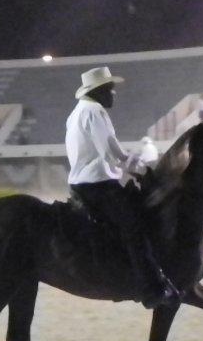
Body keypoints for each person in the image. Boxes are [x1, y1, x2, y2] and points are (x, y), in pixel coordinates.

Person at [65, 66, 178, 309]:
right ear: (99, 91)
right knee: (134, 227)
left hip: (81, 183)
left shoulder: (76, 112)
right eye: (110, 90)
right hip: (98, 185)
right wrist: (139, 169)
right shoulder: (95, 112)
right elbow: (110, 151)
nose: (114, 95)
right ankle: (151, 290)